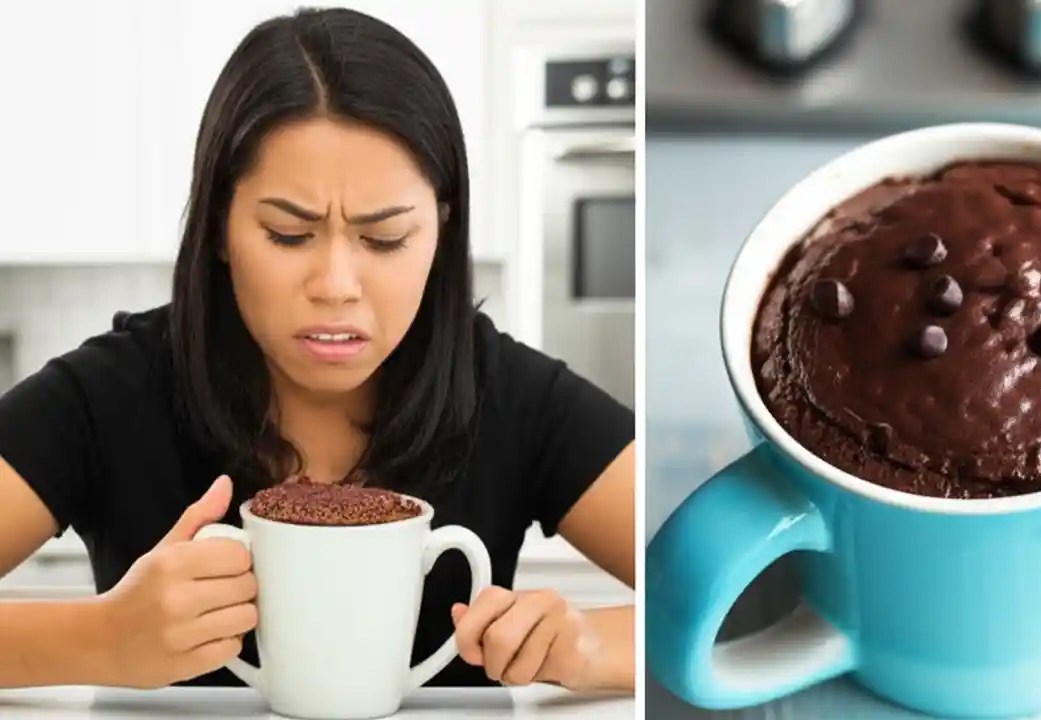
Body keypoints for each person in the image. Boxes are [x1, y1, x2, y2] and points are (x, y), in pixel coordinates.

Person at [0, 7, 634, 692]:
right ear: (219, 227)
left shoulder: (514, 396)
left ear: (442, 231)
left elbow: (705, 603)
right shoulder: (106, 395)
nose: (336, 286)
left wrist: (587, 645)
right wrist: (96, 640)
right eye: (288, 234)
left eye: (385, 239)